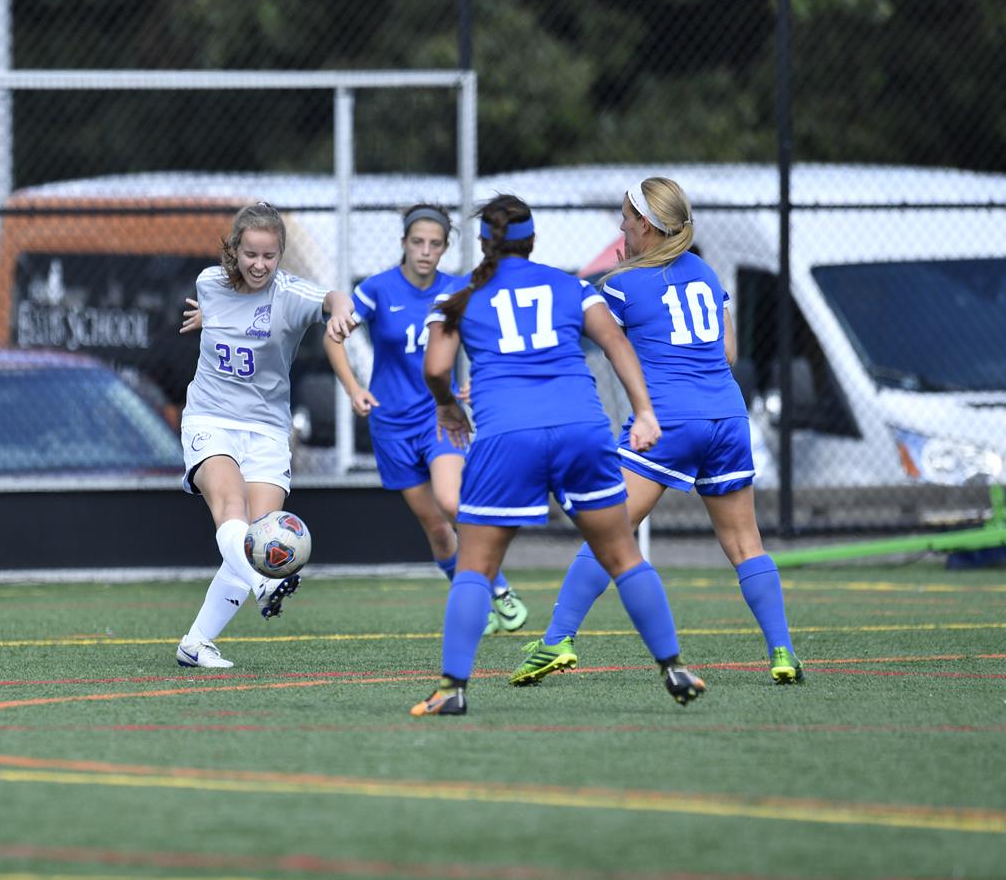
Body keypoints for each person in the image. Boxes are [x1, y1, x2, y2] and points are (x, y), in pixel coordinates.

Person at [412, 194, 705, 716]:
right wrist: (644, 412)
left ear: (483, 242)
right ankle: (673, 666)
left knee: (475, 567)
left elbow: (436, 368)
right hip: (581, 430)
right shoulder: (573, 287)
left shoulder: (458, 297)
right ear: (532, 241)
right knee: (623, 555)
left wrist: (449, 407)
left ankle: (452, 689)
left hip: (509, 437)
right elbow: (617, 346)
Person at [512, 178, 801, 687]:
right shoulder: (705, 272)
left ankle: (557, 639)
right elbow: (728, 353)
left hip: (669, 421)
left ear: (645, 225)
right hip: (728, 418)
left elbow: (585, 344)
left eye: (626, 218)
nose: (620, 226)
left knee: (607, 529)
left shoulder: (623, 284)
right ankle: (783, 653)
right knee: (745, 543)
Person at [327, 203, 528, 635]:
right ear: (403, 243)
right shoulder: (378, 289)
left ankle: (498, 587)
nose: (425, 251)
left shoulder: (457, 289)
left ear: (445, 248)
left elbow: (493, 336)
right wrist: (353, 388)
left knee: (453, 503)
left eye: (435, 244)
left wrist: (478, 379)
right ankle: (477, 602)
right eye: (417, 242)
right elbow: (333, 337)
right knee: (437, 529)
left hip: (440, 417)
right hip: (390, 427)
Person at [173, 202, 357, 669]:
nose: (259, 265)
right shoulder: (209, 283)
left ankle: (196, 643)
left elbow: (334, 298)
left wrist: (342, 312)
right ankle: (266, 584)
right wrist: (210, 321)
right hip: (211, 419)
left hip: (267, 430)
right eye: (250, 254)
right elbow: (225, 310)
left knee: (256, 536)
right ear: (234, 251)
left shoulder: (290, 295)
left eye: (269, 256)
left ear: (281, 254)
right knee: (231, 510)